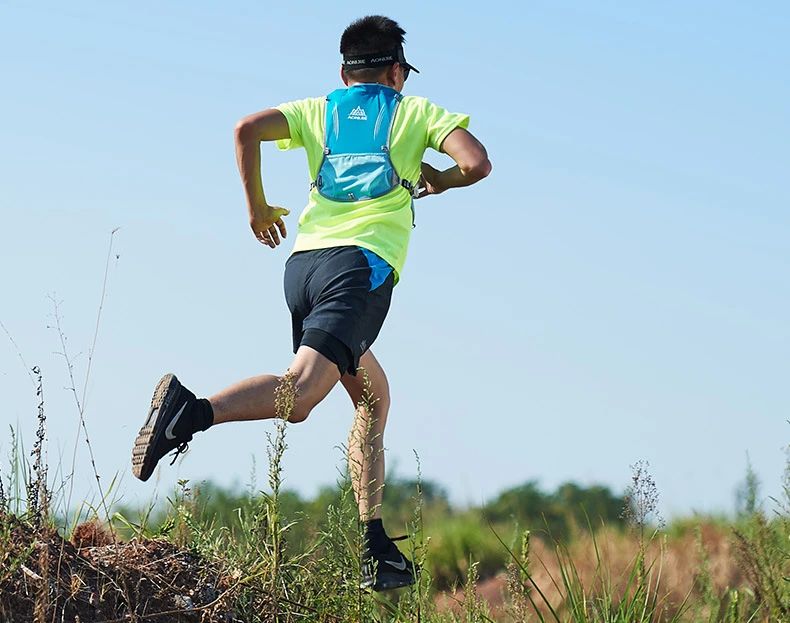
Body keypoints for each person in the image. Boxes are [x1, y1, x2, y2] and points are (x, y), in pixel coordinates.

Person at [131, 14, 491, 591]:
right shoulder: (417, 112)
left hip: (304, 268)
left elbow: (246, 128)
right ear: (398, 71)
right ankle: (188, 413)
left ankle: (376, 549)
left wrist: (257, 207)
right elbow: (477, 162)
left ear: (344, 71)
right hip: (360, 268)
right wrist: (440, 182)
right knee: (299, 397)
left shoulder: (319, 110)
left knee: (373, 400)